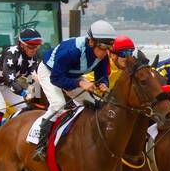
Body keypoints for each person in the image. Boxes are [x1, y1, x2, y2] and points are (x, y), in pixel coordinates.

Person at [31, 20, 117, 161]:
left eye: (108, 49)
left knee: (98, 104)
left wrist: (103, 84)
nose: (104, 53)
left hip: (71, 75)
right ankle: (41, 146)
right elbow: (56, 79)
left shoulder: (103, 55)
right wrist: (79, 82)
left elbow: (102, 76)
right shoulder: (71, 51)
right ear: (91, 42)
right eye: (102, 48)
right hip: (50, 72)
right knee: (58, 104)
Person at [0, 26, 46, 134]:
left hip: (5, 85)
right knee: (1, 107)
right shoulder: (11, 53)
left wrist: (36, 98)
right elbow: (9, 79)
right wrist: (25, 93)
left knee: (23, 107)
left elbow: (32, 77)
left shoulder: (33, 57)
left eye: (36, 47)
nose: (34, 50)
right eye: (30, 47)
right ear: (21, 44)